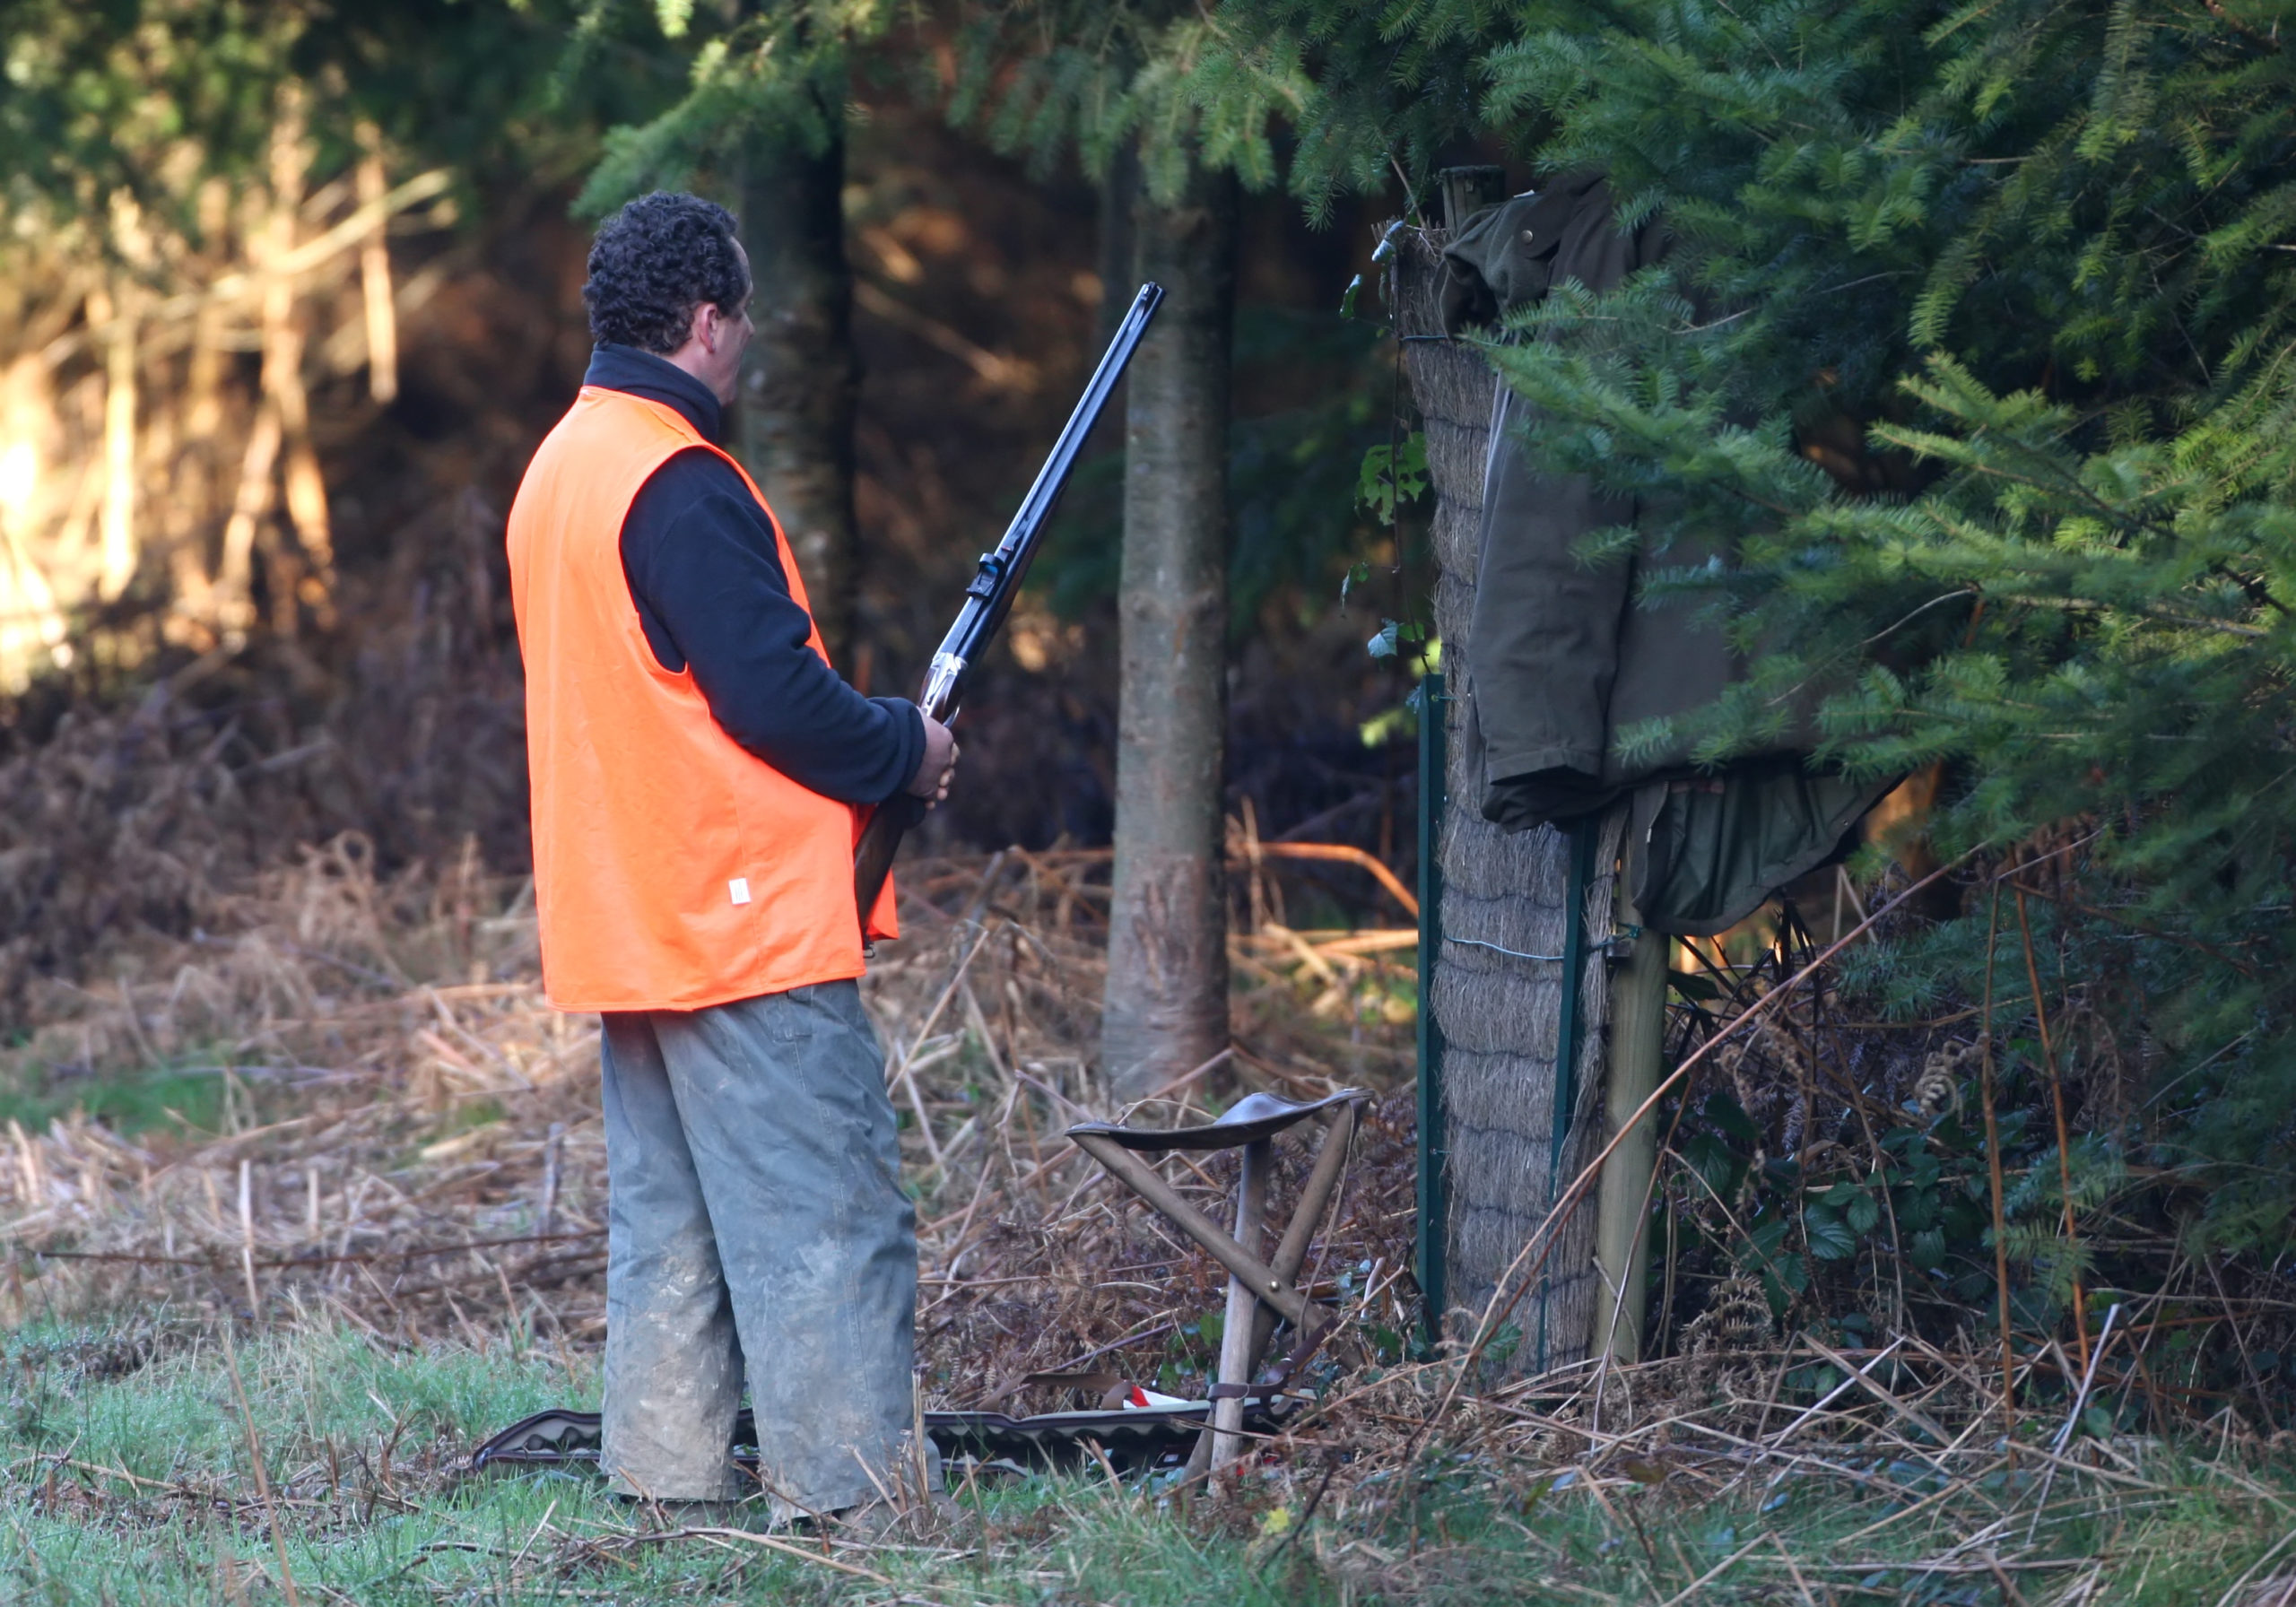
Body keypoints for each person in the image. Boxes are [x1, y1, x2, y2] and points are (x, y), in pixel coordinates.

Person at [506, 190, 957, 1519]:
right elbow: (770, 697)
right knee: (827, 1223)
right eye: (743, 320)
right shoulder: (680, 482)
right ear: (708, 322)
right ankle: (855, 1509)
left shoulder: (562, 468)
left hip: (630, 920)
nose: (747, 346)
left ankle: (667, 1488)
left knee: (673, 1235)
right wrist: (903, 750)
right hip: (738, 922)